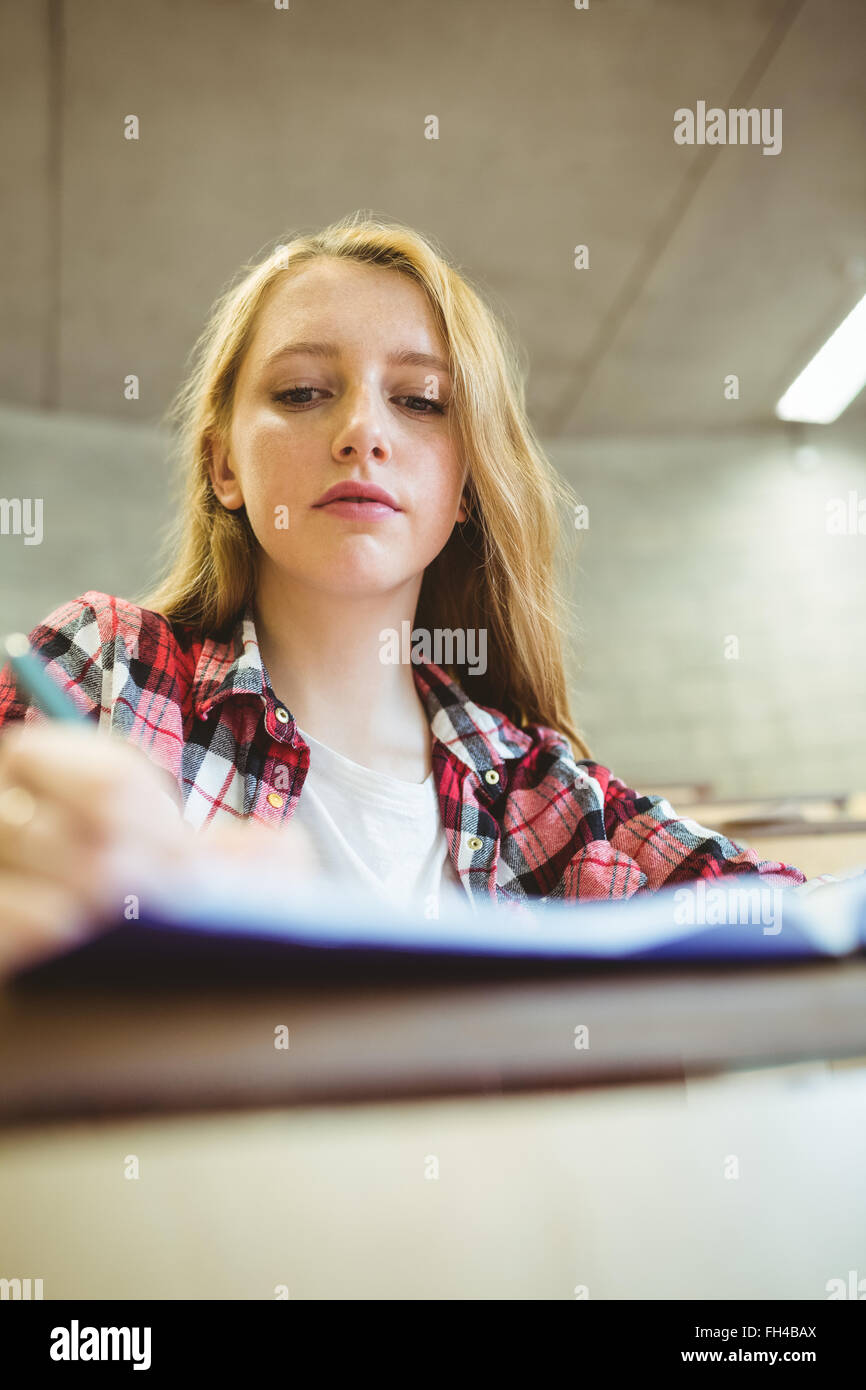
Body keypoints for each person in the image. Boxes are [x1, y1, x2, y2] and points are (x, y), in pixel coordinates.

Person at [0, 214, 820, 978]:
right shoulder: (106, 664)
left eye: (421, 401)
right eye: (301, 393)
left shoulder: (538, 785)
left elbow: (797, 921)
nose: (363, 432)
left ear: (466, 485)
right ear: (223, 466)